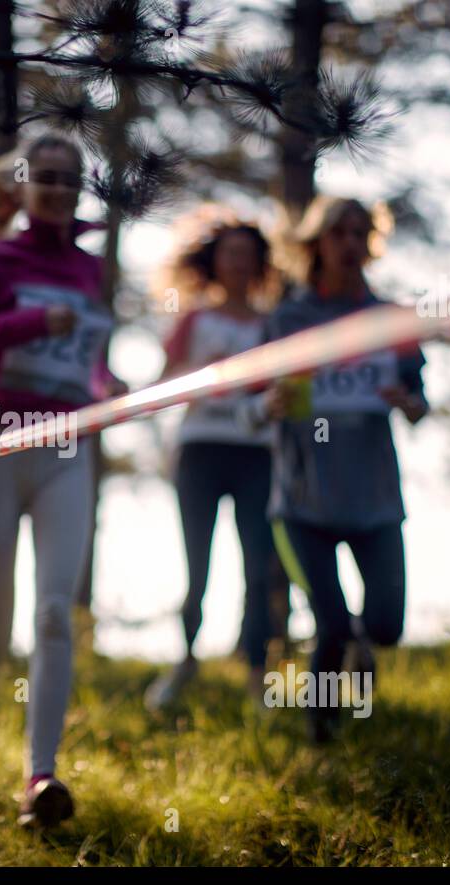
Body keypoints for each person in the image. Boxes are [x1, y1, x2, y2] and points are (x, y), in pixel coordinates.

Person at [0, 134, 128, 828]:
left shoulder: (92, 269)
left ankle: (39, 779)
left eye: (69, 180)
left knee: (53, 615)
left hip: (66, 449)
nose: (56, 189)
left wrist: (110, 389)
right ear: (19, 187)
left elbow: (89, 360)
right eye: (44, 178)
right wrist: (28, 322)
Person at [254, 196, 428, 743]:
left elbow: (421, 401)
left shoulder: (391, 319)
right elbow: (253, 401)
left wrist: (408, 402)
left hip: (375, 499)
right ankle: (322, 737)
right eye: (339, 233)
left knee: (386, 627)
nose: (350, 243)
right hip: (304, 501)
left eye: (360, 233)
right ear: (316, 244)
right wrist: (268, 404)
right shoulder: (287, 320)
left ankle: (364, 648)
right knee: (329, 624)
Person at [144, 208, 279, 711]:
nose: (239, 263)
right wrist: (192, 375)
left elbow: (281, 389)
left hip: (255, 454)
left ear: (260, 263)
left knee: (258, 568)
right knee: (195, 564)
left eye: (248, 254)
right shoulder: (193, 319)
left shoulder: (272, 324)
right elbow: (161, 382)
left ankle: (256, 672)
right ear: (214, 260)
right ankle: (185, 658)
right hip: (199, 451)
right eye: (231, 253)